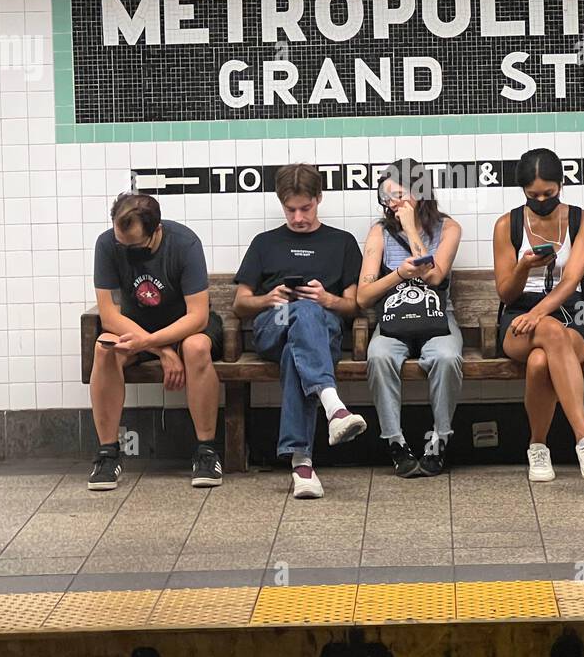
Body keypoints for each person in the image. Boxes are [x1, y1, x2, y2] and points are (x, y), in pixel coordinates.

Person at [233, 163, 366, 499]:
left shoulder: (342, 242)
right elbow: (240, 304)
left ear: (318, 199)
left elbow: (352, 305)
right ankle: (334, 406)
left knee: (300, 345)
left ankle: (301, 463)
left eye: (305, 208)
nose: (298, 217)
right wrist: (269, 298)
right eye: (290, 210)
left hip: (322, 331)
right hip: (273, 324)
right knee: (300, 315)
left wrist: (327, 298)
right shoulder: (265, 243)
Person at [89, 192, 222, 491]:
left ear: (156, 230)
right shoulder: (107, 244)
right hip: (136, 328)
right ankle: (108, 454)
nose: (128, 252)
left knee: (196, 347)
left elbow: (198, 316)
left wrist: (156, 343)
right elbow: (109, 315)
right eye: (123, 245)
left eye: (136, 248)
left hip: (183, 327)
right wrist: (159, 349)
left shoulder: (185, 243)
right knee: (104, 348)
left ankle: (206, 452)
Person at [493, 148, 584, 482]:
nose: (542, 200)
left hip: (572, 312)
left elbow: (572, 279)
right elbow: (505, 292)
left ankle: (538, 448)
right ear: (523, 192)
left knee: (541, 360)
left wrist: (540, 313)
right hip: (519, 315)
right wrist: (523, 266)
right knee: (548, 334)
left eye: (549, 193)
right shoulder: (507, 224)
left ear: (561, 185)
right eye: (533, 195)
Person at [359, 159, 464, 478]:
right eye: (387, 197)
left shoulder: (448, 228)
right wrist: (398, 276)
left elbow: (433, 276)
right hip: (393, 318)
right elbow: (363, 296)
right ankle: (395, 441)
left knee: (447, 357)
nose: (393, 204)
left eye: (400, 195)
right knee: (378, 356)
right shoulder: (378, 232)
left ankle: (440, 438)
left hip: (436, 316)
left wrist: (408, 228)